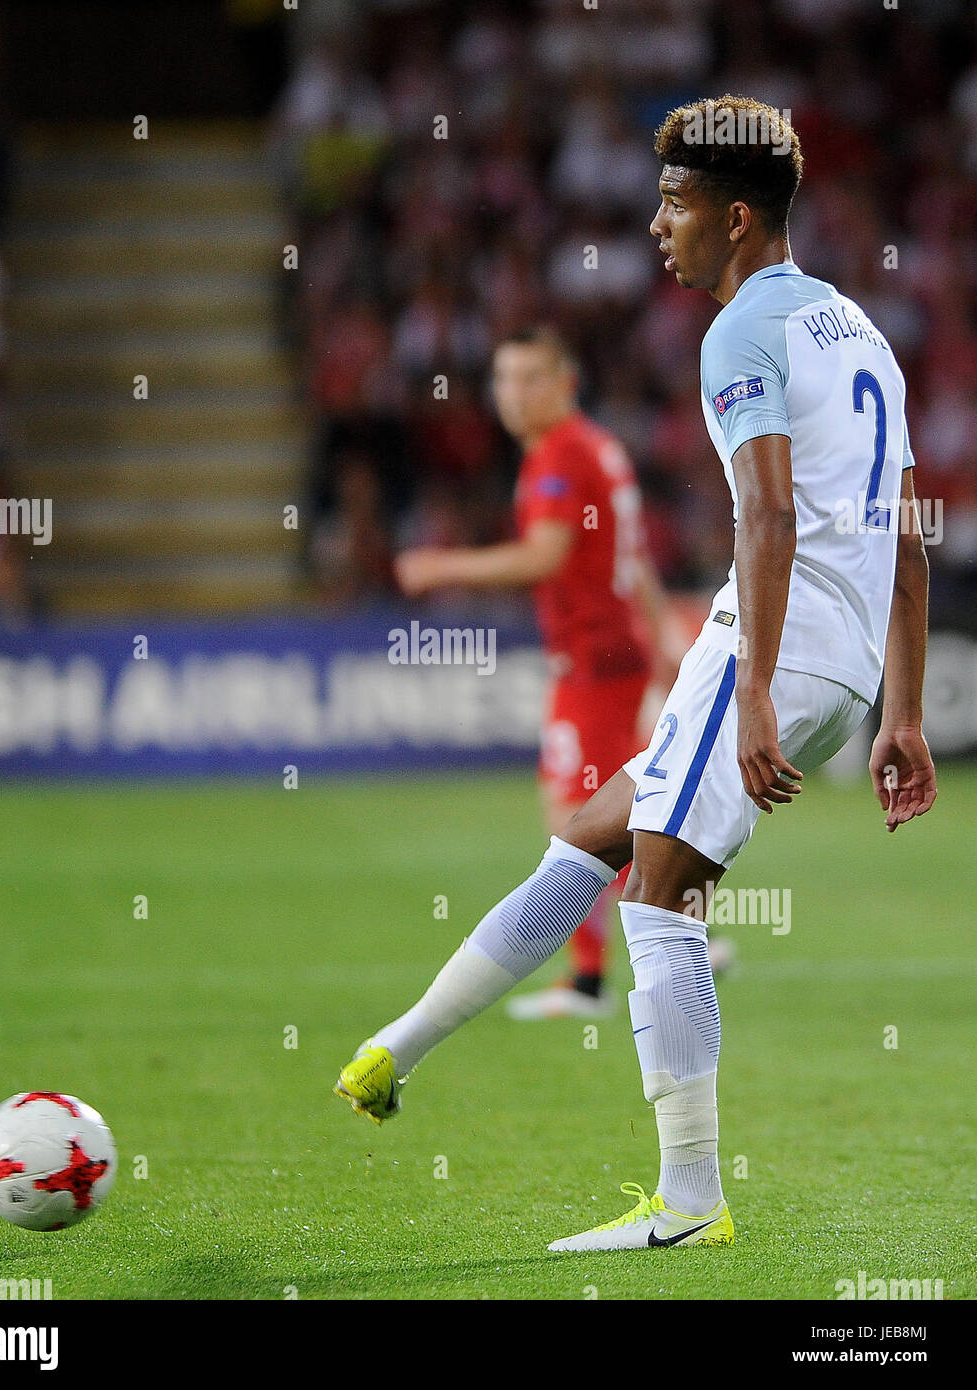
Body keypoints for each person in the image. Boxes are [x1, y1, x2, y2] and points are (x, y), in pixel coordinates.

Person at [335, 95, 937, 1253]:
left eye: (676, 202)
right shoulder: (856, 330)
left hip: (774, 645)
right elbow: (905, 532)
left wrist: (752, 688)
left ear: (739, 215)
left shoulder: (738, 334)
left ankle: (689, 1196)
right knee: (591, 836)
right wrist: (896, 709)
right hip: (833, 659)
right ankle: (395, 1048)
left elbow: (766, 511)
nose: (657, 224)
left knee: (657, 897)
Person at [395, 326, 691, 1018]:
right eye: (504, 378)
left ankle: (594, 978)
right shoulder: (597, 447)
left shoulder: (561, 453)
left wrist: (443, 566)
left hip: (594, 659)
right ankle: (684, 928)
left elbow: (544, 556)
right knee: (623, 813)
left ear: (565, 382)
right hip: (611, 652)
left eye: (531, 378)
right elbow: (635, 554)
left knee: (577, 816)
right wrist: (661, 635)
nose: (514, 394)